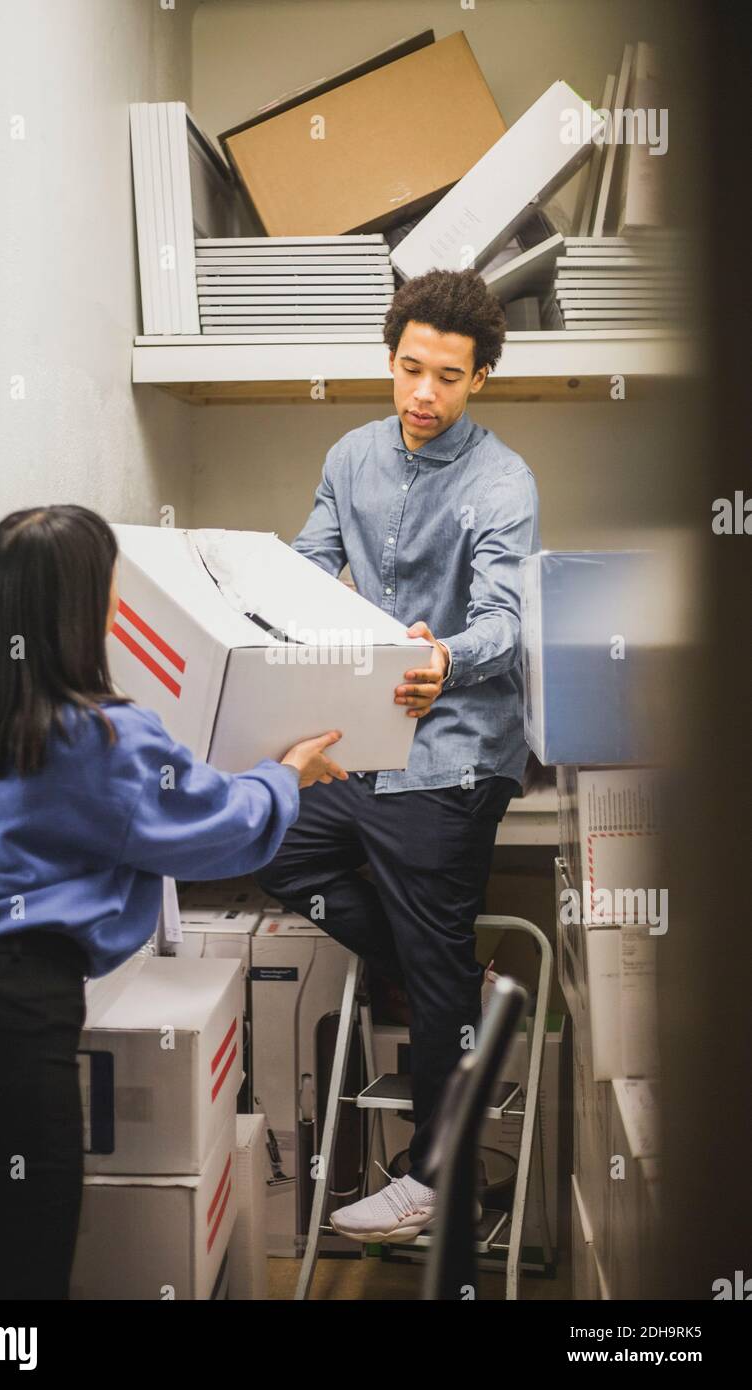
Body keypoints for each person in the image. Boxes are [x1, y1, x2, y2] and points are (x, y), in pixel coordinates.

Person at [0, 504, 348, 1300]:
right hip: (11, 1038)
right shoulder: (101, 737)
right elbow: (222, 831)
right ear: (87, 603)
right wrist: (286, 774)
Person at [254, 268, 540, 1243]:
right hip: (366, 743)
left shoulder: (502, 482)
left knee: (428, 944)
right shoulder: (350, 453)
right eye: (409, 370)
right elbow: (305, 558)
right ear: (389, 360)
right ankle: (445, 977)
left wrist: (440, 655)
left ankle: (427, 1179)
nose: (423, 394)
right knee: (271, 839)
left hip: (456, 747)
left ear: (480, 379)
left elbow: (507, 622)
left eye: (447, 377)